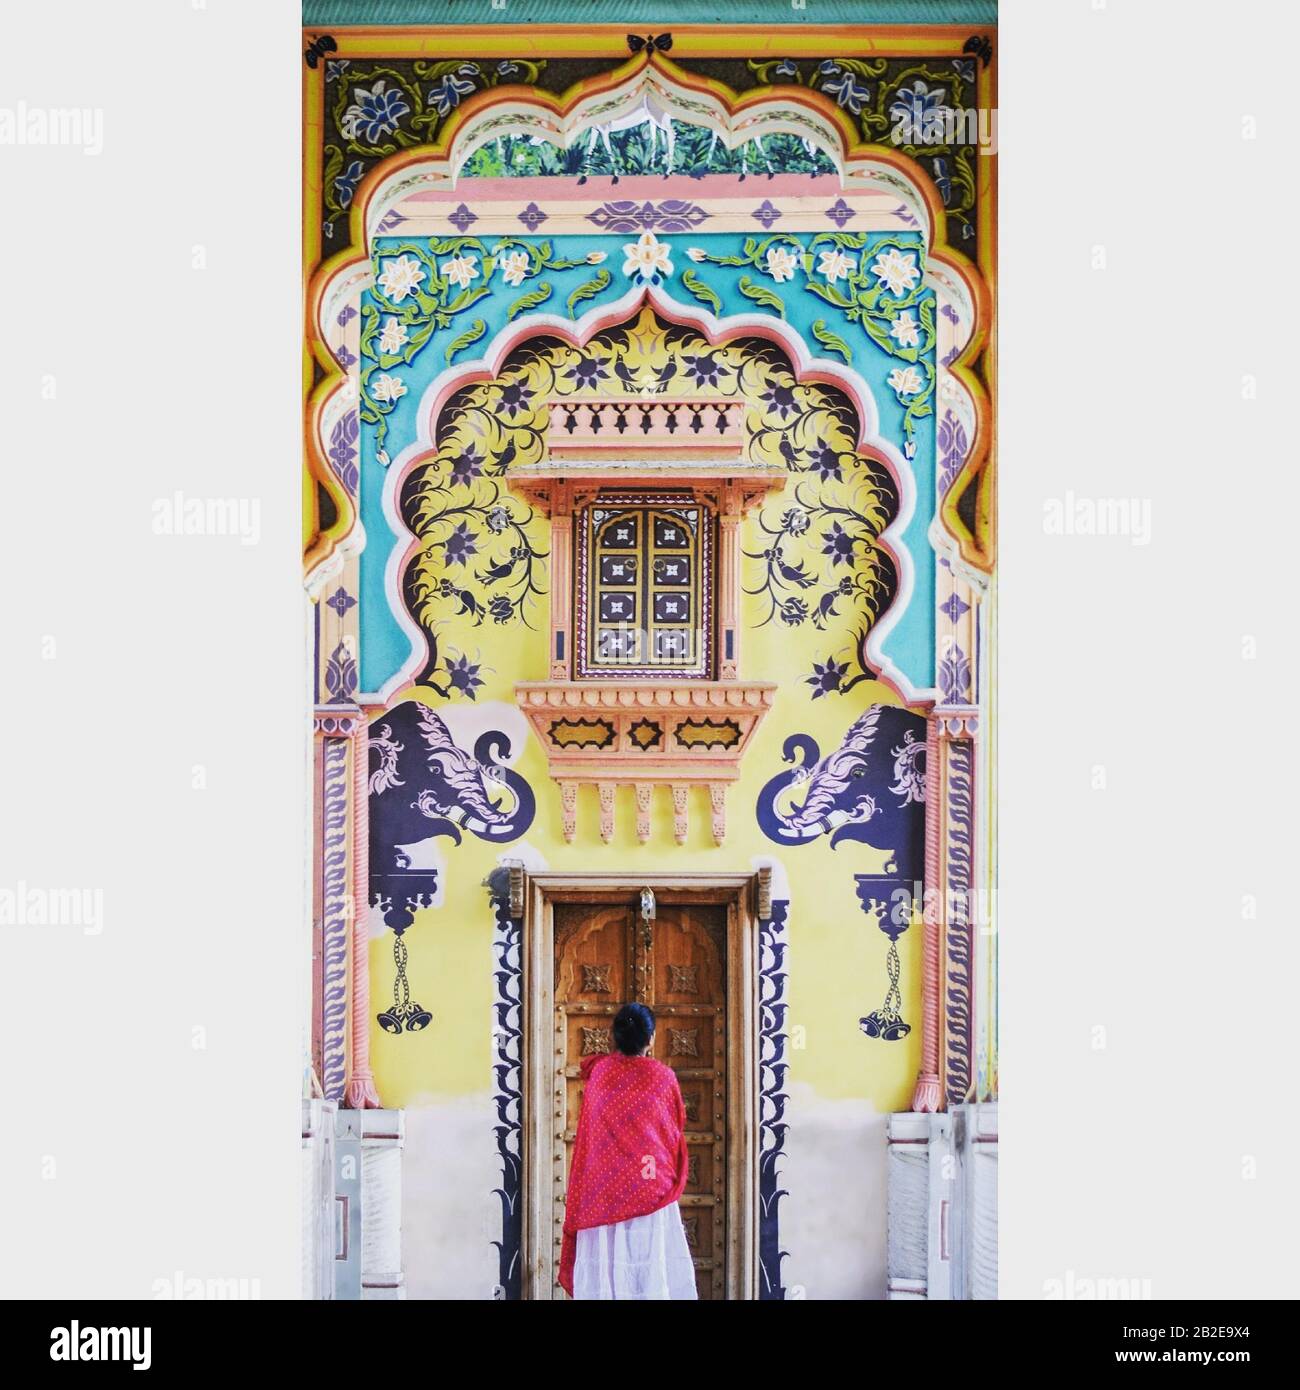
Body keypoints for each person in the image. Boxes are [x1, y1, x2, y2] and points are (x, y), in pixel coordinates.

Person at [559, 1001, 698, 1300]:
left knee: (608, 1271)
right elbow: (673, 1127)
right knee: (649, 1271)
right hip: (650, 1192)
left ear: (615, 1037)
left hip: (602, 1194)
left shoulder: (600, 1074)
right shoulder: (662, 1077)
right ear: (651, 1039)